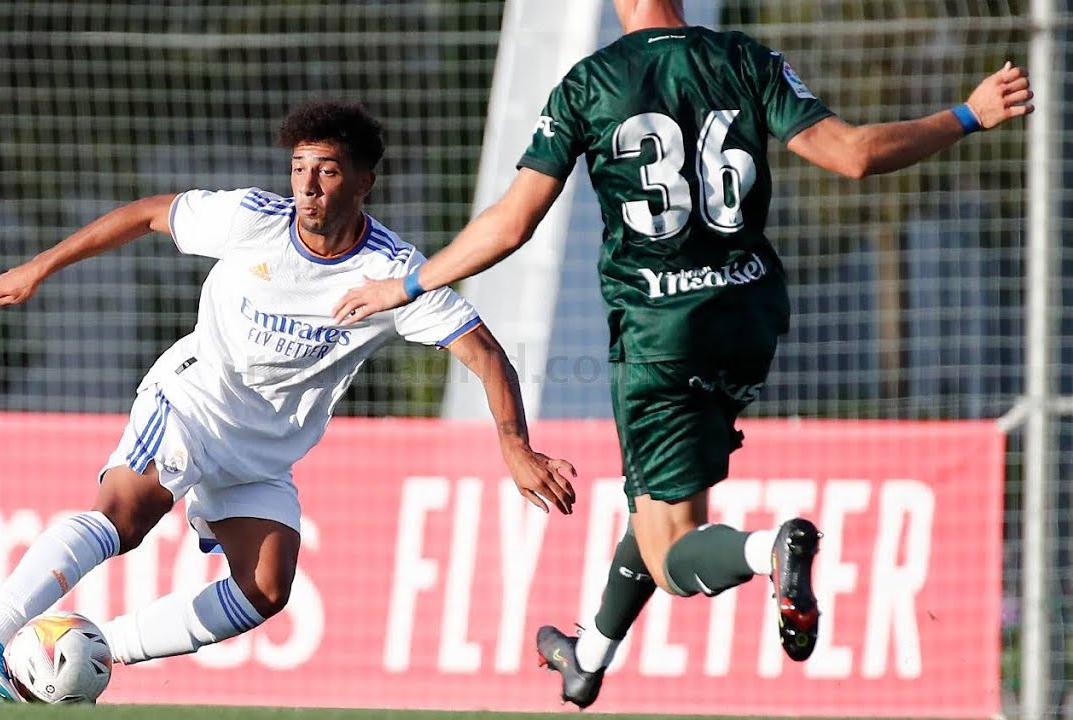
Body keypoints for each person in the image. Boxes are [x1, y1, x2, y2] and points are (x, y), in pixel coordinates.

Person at [332, 0, 1034, 709]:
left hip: (659, 335)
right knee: (655, 504)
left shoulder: (593, 82)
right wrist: (968, 113)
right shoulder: (743, 59)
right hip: (750, 317)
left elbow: (512, 224)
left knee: (672, 556)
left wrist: (410, 282)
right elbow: (852, 156)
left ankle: (770, 552)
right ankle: (589, 660)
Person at [0, 100, 578, 703]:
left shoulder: (393, 273)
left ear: (364, 183)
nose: (308, 186)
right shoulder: (251, 220)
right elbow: (149, 213)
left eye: (327, 171)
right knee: (123, 518)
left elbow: (486, 353)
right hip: (191, 401)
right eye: (299, 168)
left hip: (262, 452)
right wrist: (41, 266)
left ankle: (100, 648)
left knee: (265, 589)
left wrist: (515, 448)